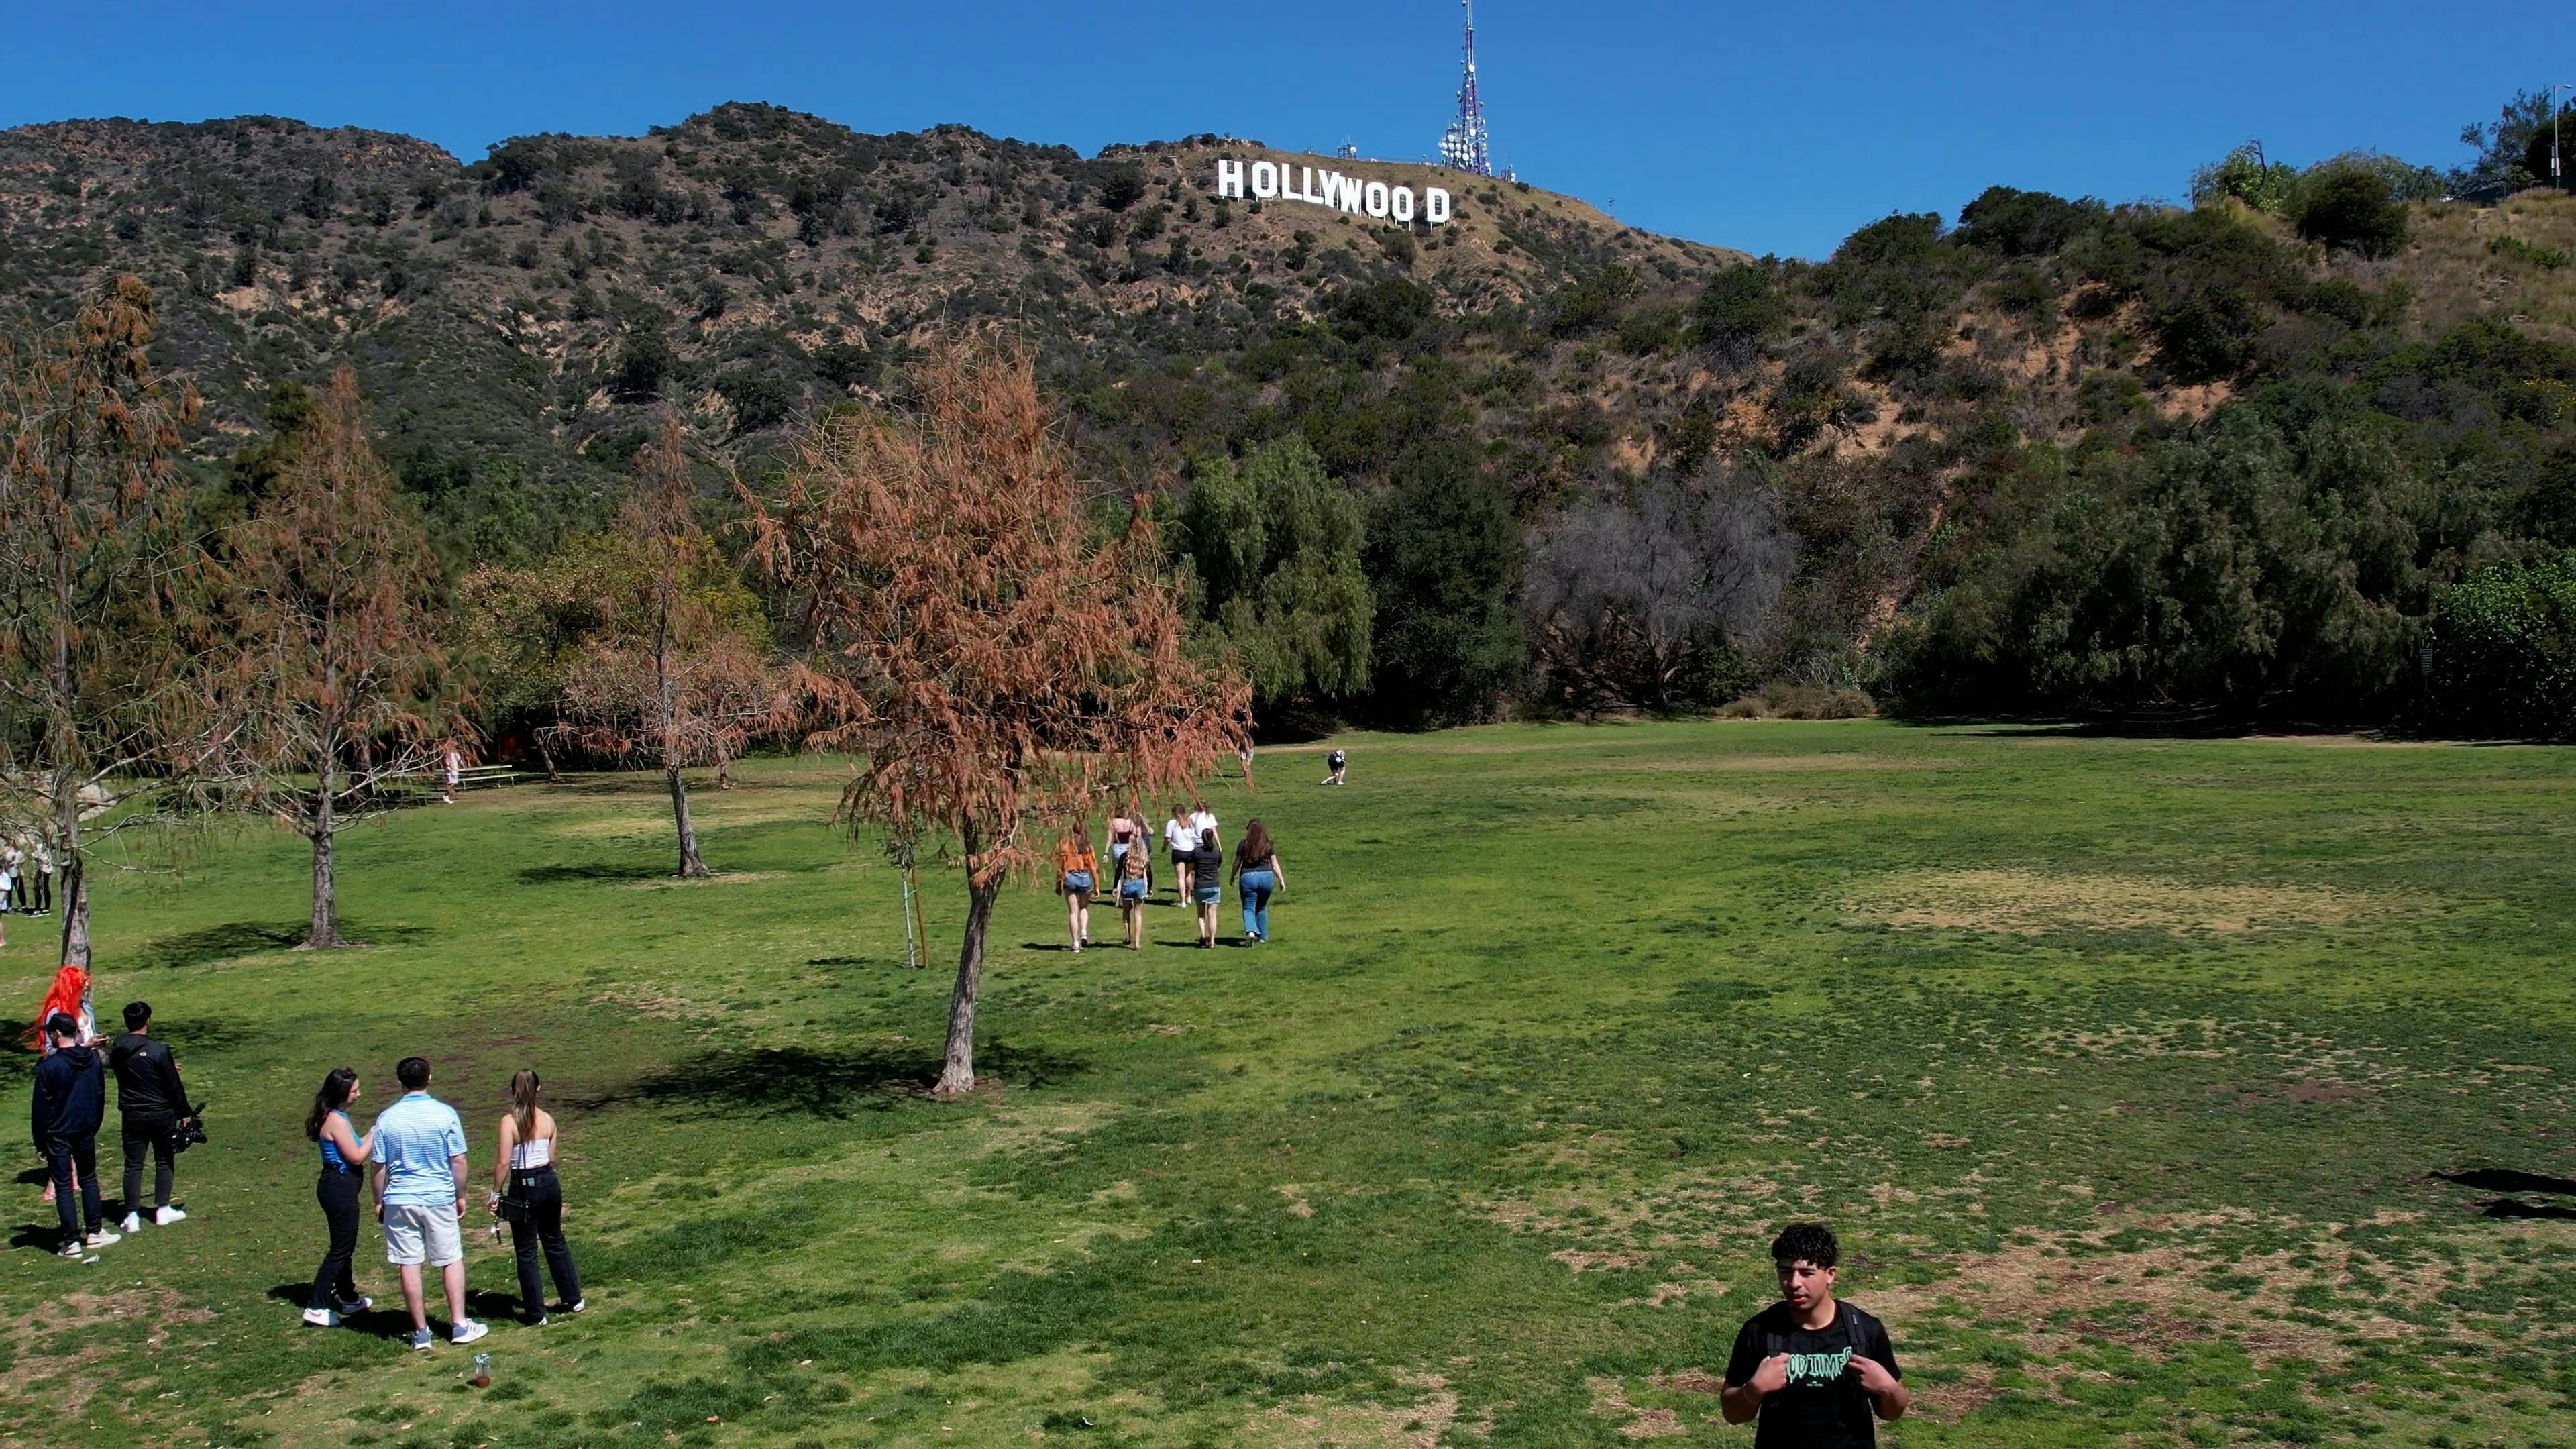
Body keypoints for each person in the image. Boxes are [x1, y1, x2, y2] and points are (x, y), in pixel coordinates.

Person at [1720, 1222, 1907, 1447]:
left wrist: (1889, 1389)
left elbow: (1892, 1413)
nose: (1794, 1283)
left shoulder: (1865, 1330)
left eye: (1806, 1273)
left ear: (1830, 1274)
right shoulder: (1760, 1330)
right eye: (1786, 1271)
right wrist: (1754, 1389)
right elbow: (1732, 1415)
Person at [371, 1056, 486, 1349]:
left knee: (409, 1263)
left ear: (400, 1082)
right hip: (438, 1196)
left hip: (400, 1198)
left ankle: (421, 1332)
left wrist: (379, 1200)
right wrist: (461, 1194)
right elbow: (458, 1159)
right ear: (429, 1078)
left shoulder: (387, 1118)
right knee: (450, 1258)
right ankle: (459, 1324)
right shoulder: (445, 1114)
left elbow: (379, 1167)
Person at [490, 1069, 585, 1326]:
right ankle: (573, 1298)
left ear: (513, 1091)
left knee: (526, 1250)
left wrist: (495, 1193)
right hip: (549, 1184)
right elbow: (550, 1158)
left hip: (524, 1186)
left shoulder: (509, 1122)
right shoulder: (548, 1120)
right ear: (538, 1090)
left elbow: (503, 1164)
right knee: (555, 1240)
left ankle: (536, 1313)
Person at [31, 1012, 115, 1258]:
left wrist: (40, 1142)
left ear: (57, 1034)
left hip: (58, 1132)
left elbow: (41, 1109)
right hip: (85, 1128)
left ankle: (71, 1242)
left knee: (64, 1185)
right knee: (88, 1179)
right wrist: (94, 1124)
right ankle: (95, 1231)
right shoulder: (91, 1060)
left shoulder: (50, 1067)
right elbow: (99, 1094)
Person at [301, 1067, 374, 1327]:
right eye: (355, 1091)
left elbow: (354, 1147)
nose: (359, 1095)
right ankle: (317, 1306)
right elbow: (356, 1156)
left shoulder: (337, 1116)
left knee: (344, 1245)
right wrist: (375, 1133)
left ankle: (348, 1297)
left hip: (338, 1187)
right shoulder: (336, 1120)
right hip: (339, 1188)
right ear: (342, 1093)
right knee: (341, 1249)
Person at [108, 1002, 190, 1232]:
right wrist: (184, 1112)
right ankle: (162, 1209)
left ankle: (131, 1216)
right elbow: (172, 1085)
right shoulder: (158, 1050)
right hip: (160, 1113)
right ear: (148, 1021)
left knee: (133, 1165)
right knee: (164, 1160)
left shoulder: (118, 1052)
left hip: (132, 1114)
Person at [1230, 819, 1286, 945]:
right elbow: (1274, 864)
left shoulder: (1243, 844)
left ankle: (1251, 931)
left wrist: (1232, 876)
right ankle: (1263, 936)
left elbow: (1237, 863)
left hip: (1248, 878)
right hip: (1266, 877)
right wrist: (1281, 880)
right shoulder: (1268, 844)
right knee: (1262, 907)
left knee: (1248, 907)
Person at [1054, 826, 1097, 953]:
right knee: (1083, 908)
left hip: (1070, 877)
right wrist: (1097, 886)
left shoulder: (1066, 846)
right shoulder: (1087, 848)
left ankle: (1075, 943)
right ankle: (1083, 933)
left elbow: (1061, 867)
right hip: (1084, 877)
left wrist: (1058, 883)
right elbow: (1093, 868)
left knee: (1073, 912)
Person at [1114, 818, 1152, 949]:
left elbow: (1118, 873)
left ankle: (1127, 936)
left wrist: (1115, 887)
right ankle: (1137, 943)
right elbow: (1149, 874)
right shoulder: (1144, 857)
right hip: (1139, 884)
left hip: (1128, 884)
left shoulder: (1125, 856)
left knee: (1126, 911)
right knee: (1138, 913)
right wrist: (1150, 888)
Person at [1188, 828, 1224, 948]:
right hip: (1214, 884)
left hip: (1200, 885)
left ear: (1202, 839)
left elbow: (1191, 867)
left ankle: (1203, 936)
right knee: (1212, 914)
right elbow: (1218, 865)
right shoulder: (1217, 852)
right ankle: (1212, 940)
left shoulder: (1197, 852)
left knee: (1201, 914)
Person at [1164, 804, 1197, 904]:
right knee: (1188, 875)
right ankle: (1189, 897)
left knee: (1180, 877)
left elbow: (1168, 839)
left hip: (1178, 851)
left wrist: (1164, 847)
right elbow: (1194, 837)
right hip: (1190, 851)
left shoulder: (1172, 823)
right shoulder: (1189, 822)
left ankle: (1182, 901)